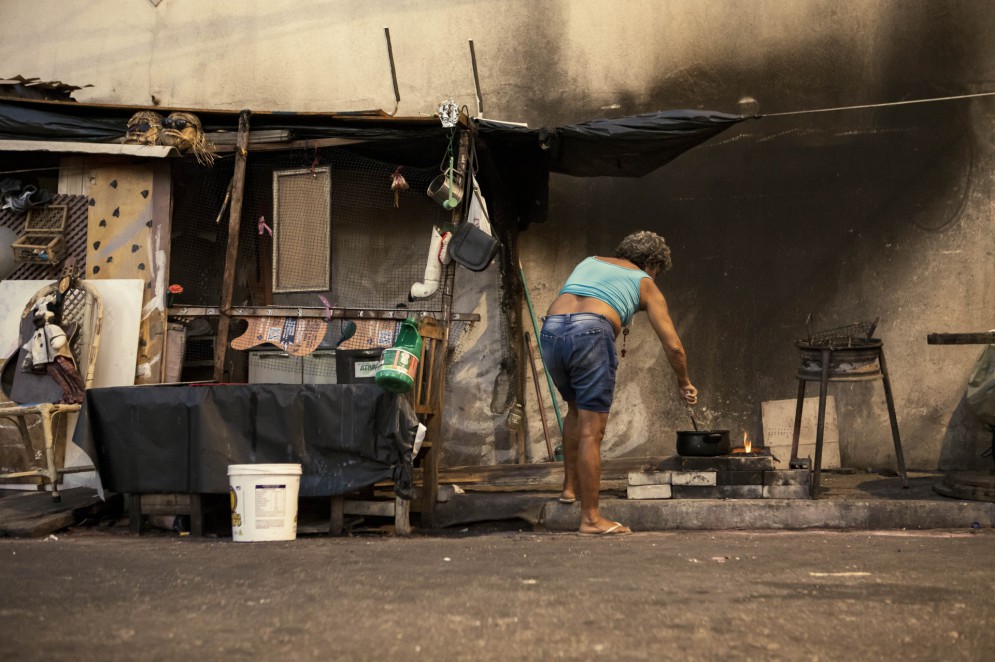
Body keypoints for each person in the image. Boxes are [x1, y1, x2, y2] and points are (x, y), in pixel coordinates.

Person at [539, 231, 697, 535]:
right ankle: (591, 520)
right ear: (651, 263)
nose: (655, 277)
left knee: (575, 410)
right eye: (657, 271)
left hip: (553, 329)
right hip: (590, 332)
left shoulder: (590, 261)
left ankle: (570, 490)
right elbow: (674, 346)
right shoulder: (644, 282)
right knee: (591, 430)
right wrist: (684, 382)